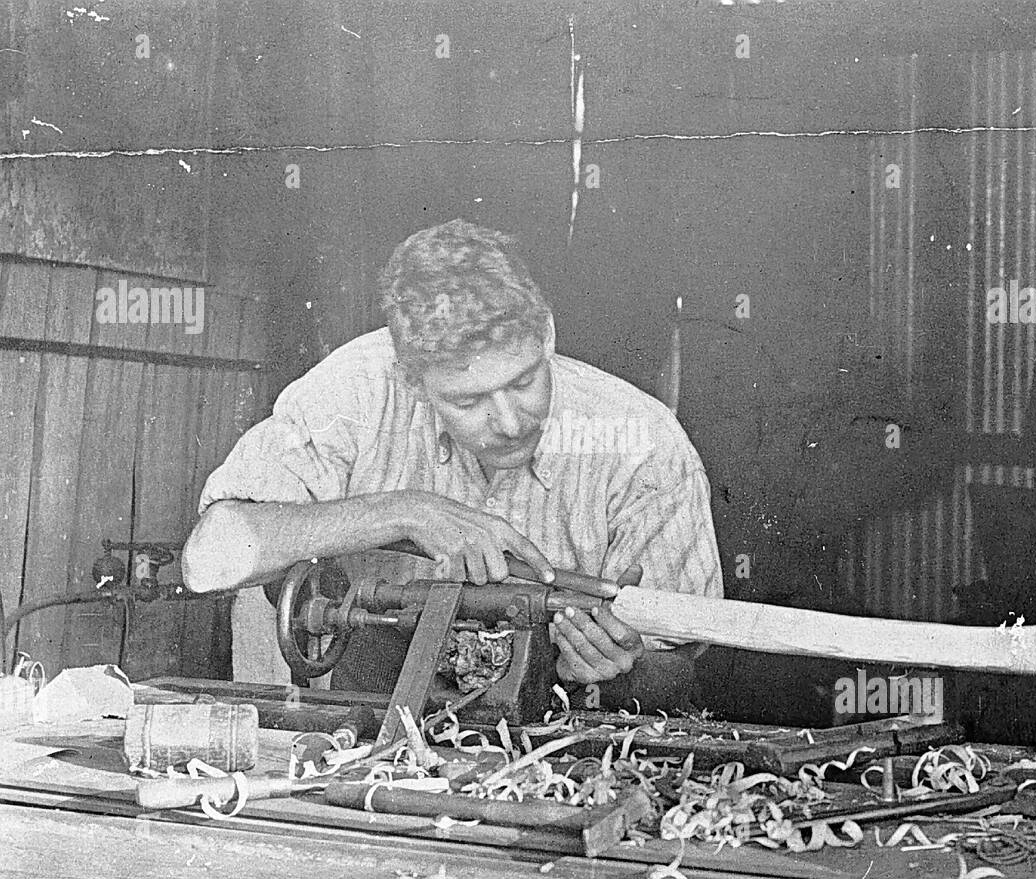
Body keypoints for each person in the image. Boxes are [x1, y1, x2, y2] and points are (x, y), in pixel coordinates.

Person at [183, 219, 723, 709]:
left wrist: (615, 665)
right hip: (360, 730)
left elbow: (683, 676)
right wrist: (405, 513)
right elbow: (209, 560)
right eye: (469, 402)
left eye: (524, 381)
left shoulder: (645, 446)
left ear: (548, 335)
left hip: (555, 753)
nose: (510, 422)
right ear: (413, 380)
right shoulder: (356, 389)